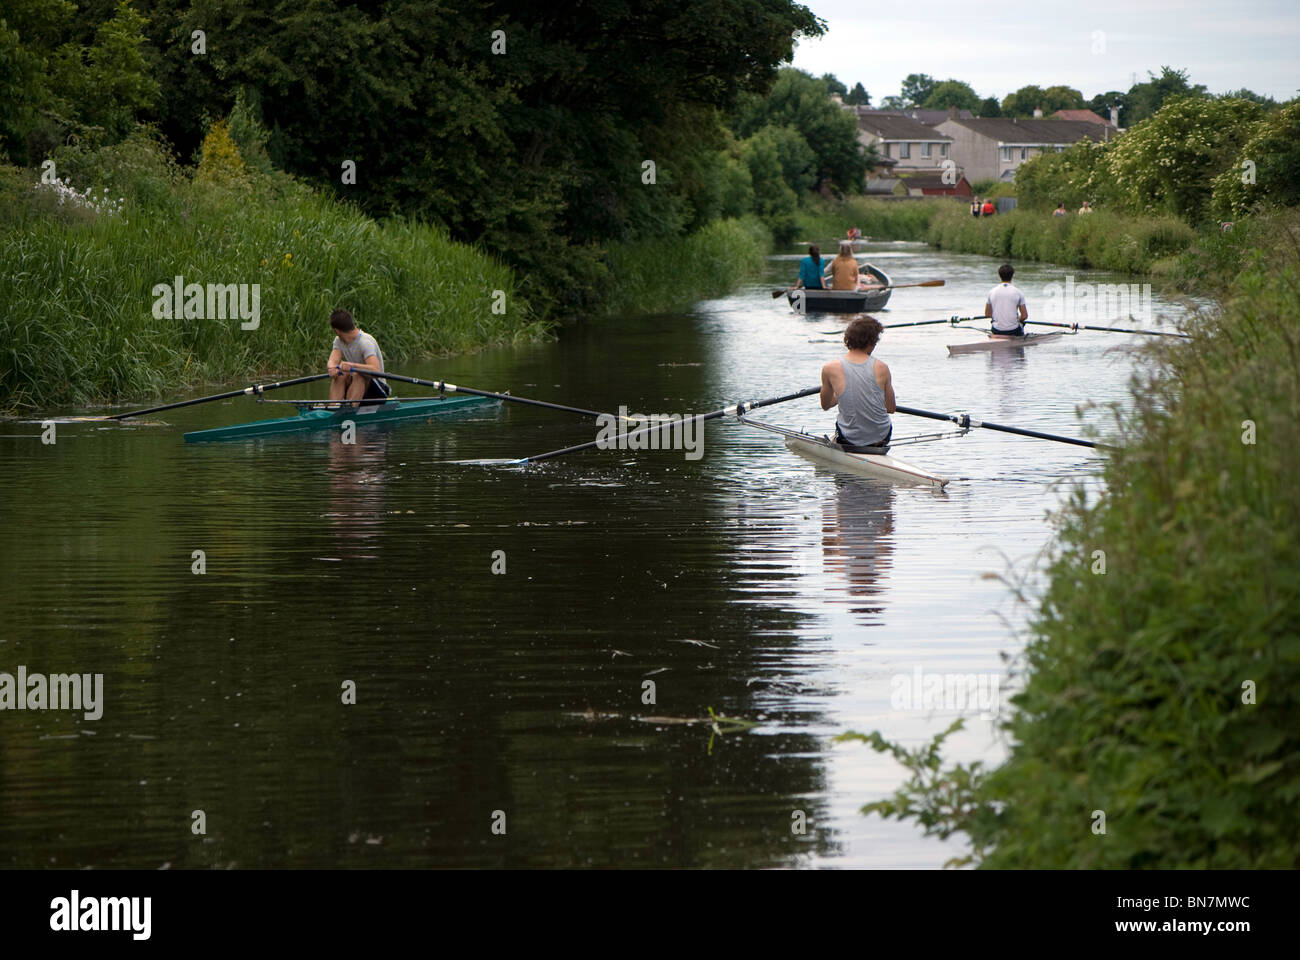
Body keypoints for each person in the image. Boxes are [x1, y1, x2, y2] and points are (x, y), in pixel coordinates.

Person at [821, 316, 895, 450]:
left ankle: (836, 441)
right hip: (882, 437)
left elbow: (825, 405)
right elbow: (891, 408)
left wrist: (841, 395)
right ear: (872, 342)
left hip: (849, 440)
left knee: (836, 433)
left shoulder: (829, 368)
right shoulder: (882, 367)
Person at [327, 308, 390, 405]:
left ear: (336, 331)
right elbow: (333, 360)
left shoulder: (365, 342)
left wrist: (353, 366)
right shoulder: (338, 341)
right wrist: (332, 368)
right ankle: (333, 408)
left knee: (358, 373)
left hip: (378, 391)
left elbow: (376, 370)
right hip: (358, 389)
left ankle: (350, 409)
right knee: (340, 373)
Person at [984, 263, 1028, 336]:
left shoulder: (991, 292)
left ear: (999, 275)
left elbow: (987, 314)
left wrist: (998, 317)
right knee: (1021, 323)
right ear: (1012, 275)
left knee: (994, 323)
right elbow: (1024, 316)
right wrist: (1017, 320)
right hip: (1013, 330)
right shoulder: (1018, 292)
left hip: (997, 330)